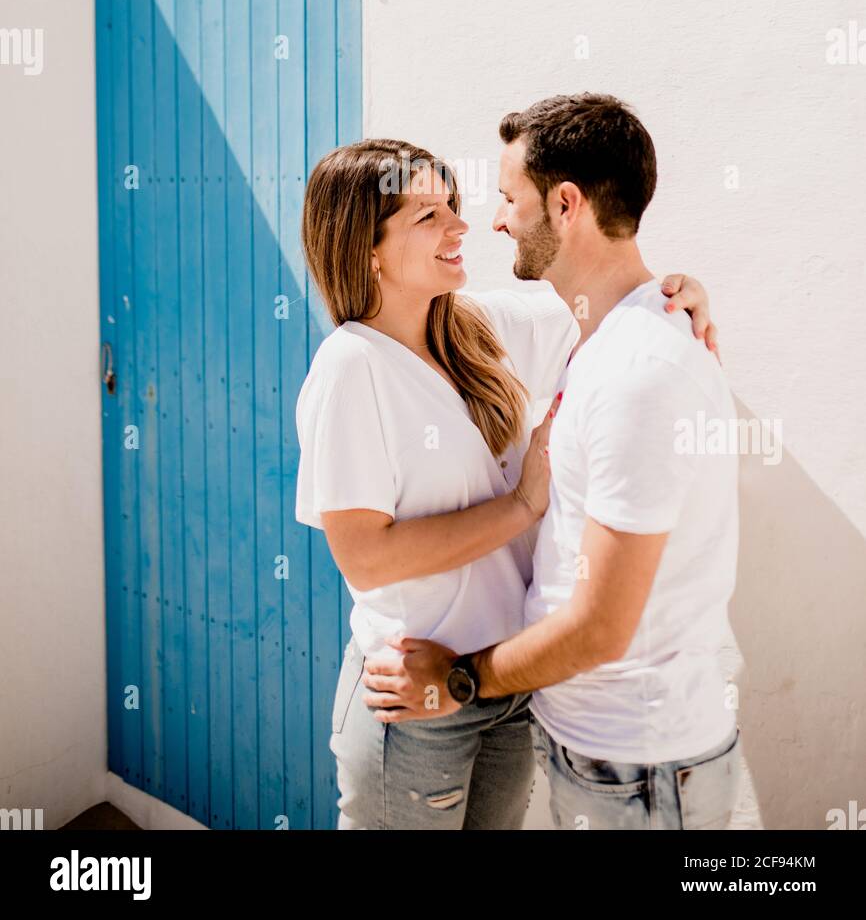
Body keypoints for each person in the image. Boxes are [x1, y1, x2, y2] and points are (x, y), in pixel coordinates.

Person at [294, 127, 718, 830]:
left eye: (455, 204)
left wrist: (682, 290)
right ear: (365, 247)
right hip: (417, 699)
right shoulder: (350, 368)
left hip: (506, 683)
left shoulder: (482, 324)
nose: (462, 226)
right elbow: (366, 556)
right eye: (428, 215)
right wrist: (524, 503)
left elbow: (613, 295)